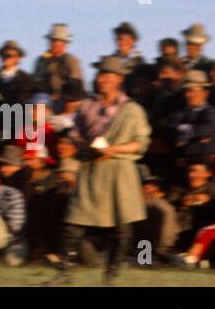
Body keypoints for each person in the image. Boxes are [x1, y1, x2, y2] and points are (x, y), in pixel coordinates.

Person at [44, 56, 151, 285]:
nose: (101, 79)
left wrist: (114, 149)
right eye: (100, 74)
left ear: (119, 79)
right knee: (74, 223)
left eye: (107, 75)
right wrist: (86, 146)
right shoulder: (86, 105)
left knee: (122, 228)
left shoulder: (132, 110)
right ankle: (65, 272)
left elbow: (140, 143)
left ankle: (110, 276)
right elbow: (74, 135)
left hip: (120, 171)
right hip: (92, 168)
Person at [34, 24, 82, 98]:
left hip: (65, 99)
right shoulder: (42, 60)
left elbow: (75, 86)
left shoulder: (70, 60)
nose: (54, 43)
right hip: (45, 98)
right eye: (52, 40)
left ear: (65, 43)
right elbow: (37, 82)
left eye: (58, 41)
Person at [0, 40, 36, 105]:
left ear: (19, 58)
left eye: (9, 55)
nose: (5, 58)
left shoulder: (27, 80)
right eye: (3, 55)